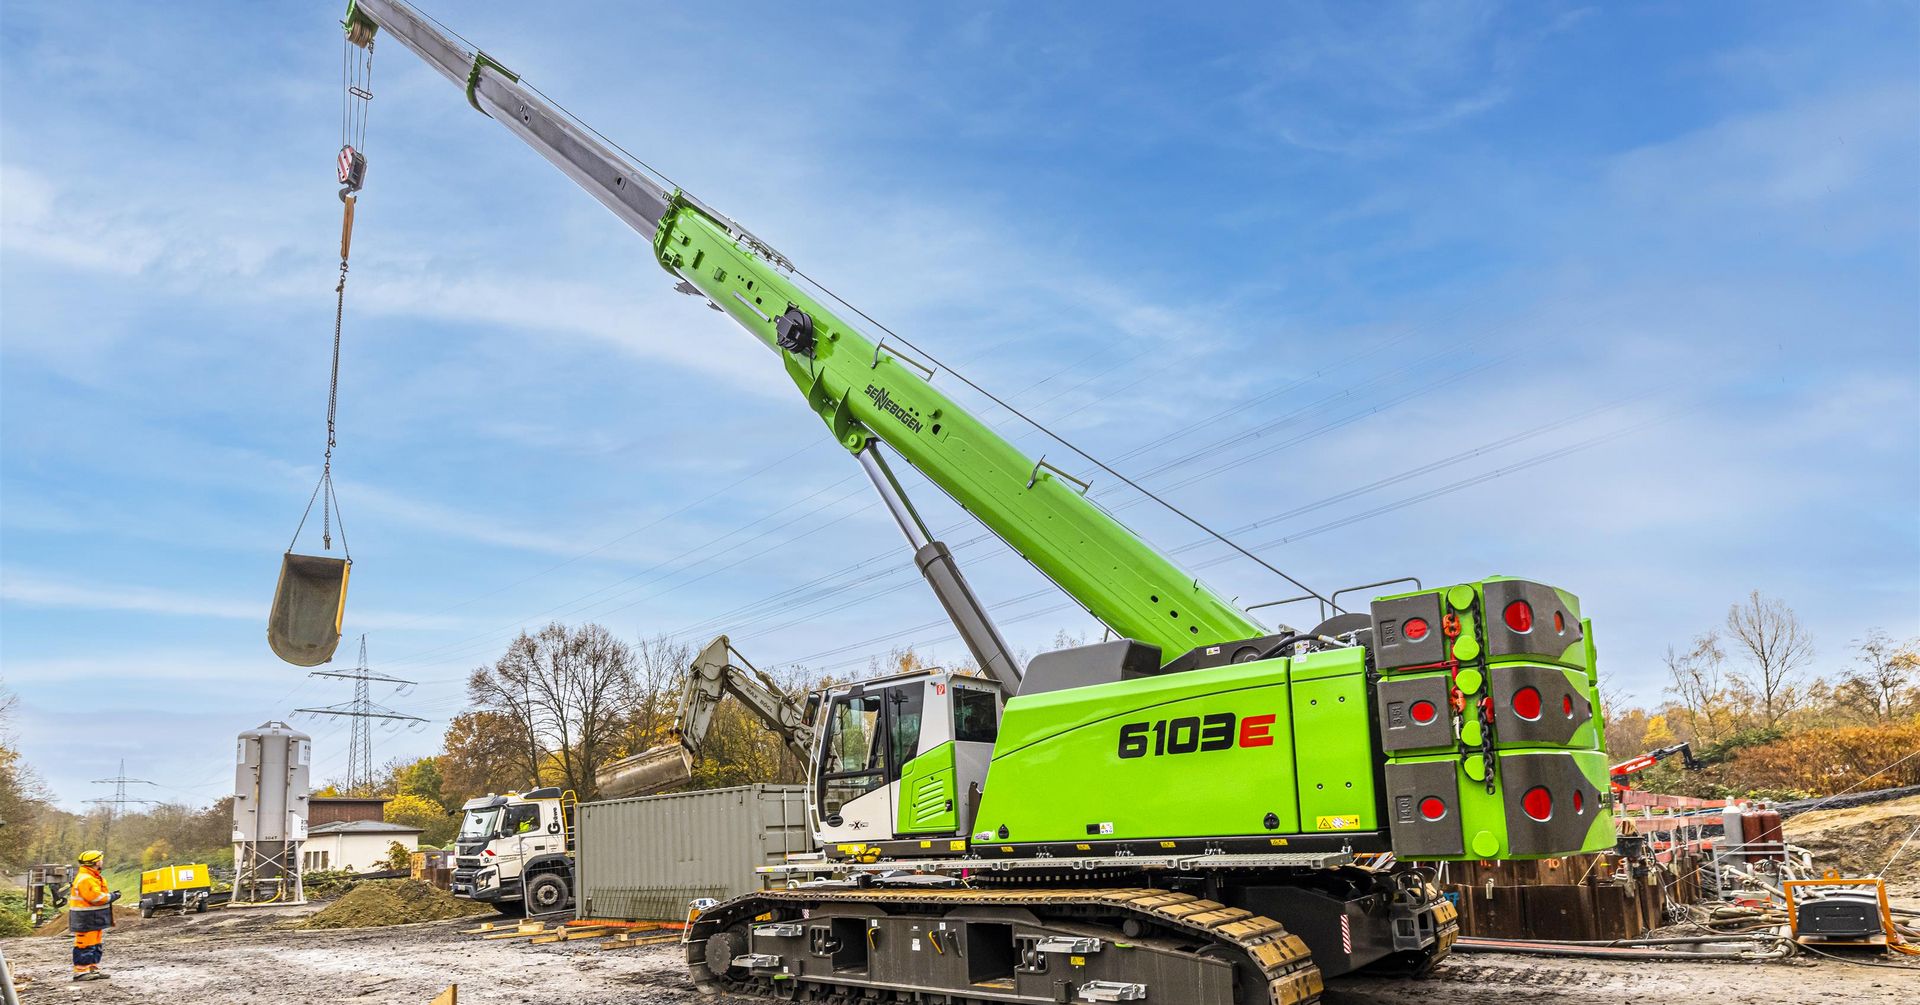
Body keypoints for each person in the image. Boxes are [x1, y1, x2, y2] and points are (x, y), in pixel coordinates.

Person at [69, 850, 119, 982]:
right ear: (96, 862)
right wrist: (112, 896)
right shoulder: (87, 879)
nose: (102, 861)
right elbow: (96, 898)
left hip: (93, 917)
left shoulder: (92, 876)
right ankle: (81, 972)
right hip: (85, 918)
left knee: (95, 944)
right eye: (101, 859)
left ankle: (92, 969)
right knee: (85, 945)